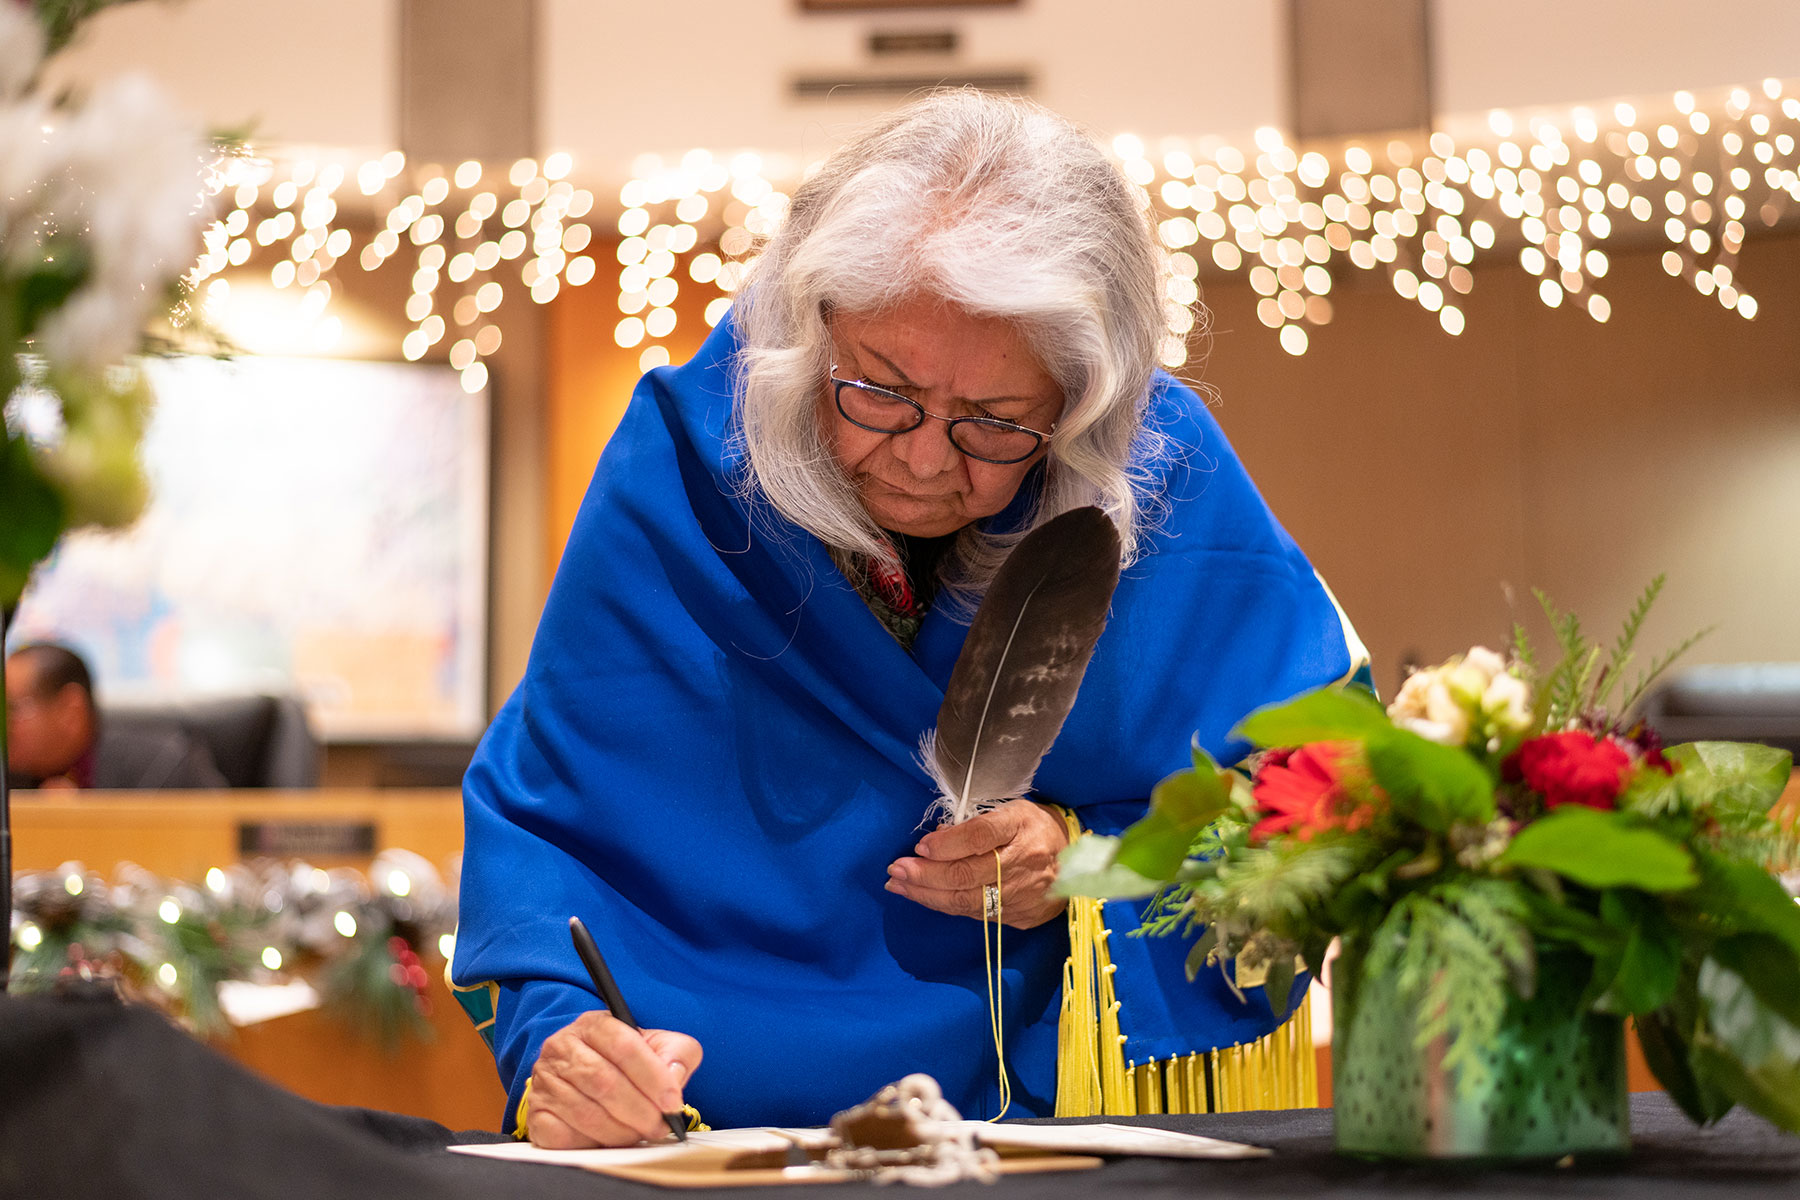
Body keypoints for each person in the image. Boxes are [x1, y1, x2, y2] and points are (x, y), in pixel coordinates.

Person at [452, 90, 1370, 1147]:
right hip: (701, 1127)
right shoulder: (683, 463)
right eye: (880, 393)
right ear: (812, 331)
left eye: (996, 423)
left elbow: (1321, 799)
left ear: (1080, 405)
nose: (927, 459)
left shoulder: (1154, 467)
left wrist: (1087, 860)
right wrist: (561, 1041)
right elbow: (546, 821)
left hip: (1048, 1132)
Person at [4, 642, 227, 790]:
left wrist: (80, 822)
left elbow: (226, 838)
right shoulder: (9, 779)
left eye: (12, 709)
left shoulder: (165, 766)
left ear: (70, 710)